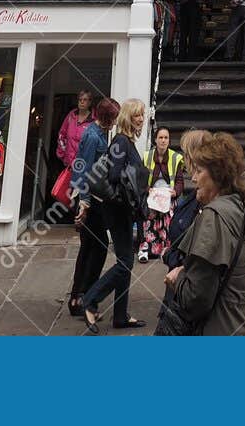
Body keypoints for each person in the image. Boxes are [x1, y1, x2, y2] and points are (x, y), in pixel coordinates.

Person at [164, 130, 245, 335]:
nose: (193, 178)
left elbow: (195, 298)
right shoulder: (243, 208)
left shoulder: (214, 216)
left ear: (217, 175)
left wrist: (178, 277)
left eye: (199, 171)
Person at [82, 97, 148, 332]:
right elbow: (114, 176)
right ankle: (90, 300)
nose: (140, 119)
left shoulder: (126, 141)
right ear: (127, 117)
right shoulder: (121, 141)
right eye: (136, 114)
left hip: (124, 211)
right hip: (119, 211)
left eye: (142, 114)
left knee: (125, 263)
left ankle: (120, 316)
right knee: (124, 263)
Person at [67, 95, 118, 318]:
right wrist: (84, 203)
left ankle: (81, 296)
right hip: (89, 201)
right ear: (107, 118)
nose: (116, 122)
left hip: (95, 200)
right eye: (114, 118)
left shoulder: (100, 133)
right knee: (93, 248)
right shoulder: (91, 135)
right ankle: (81, 297)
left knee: (92, 247)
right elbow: (82, 169)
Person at [162, 129, 208, 271]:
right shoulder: (196, 193)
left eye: (186, 154)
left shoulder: (204, 197)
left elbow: (197, 250)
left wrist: (168, 256)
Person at [140, 126, 186, 261]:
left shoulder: (175, 157)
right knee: (149, 216)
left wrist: (175, 192)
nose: (163, 140)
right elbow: (141, 179)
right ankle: (145, 249)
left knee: (169, 214)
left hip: (168, 195)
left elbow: (179, 181)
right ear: (155, 140)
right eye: (160, 137)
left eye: (166, 138)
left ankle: (166, 249)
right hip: (152, 194)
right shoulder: (147, 156)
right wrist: (148, 190)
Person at [56, 89, 93, 182]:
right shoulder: (71, 116)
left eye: (85, 100)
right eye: (80, 100)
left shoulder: (93, 120)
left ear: (90, 102)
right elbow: (62, 135)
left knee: (79, 193)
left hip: (84, 167)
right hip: (68, 164)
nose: (82, 102)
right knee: (65, 192)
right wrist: (63, 153)